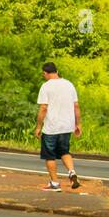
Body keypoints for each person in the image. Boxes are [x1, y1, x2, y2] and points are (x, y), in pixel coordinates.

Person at [35, 61, 81, 191]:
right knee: (64, 151)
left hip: (51, 128)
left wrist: (38, 127)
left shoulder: (46, 86)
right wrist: (78, 124)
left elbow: (44, 108)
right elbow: (76, 106)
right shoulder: (69, 85)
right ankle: (72, 172)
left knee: (49, 155)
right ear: (56, 71)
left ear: (45, 73)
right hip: (67, 126)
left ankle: (55, 183)